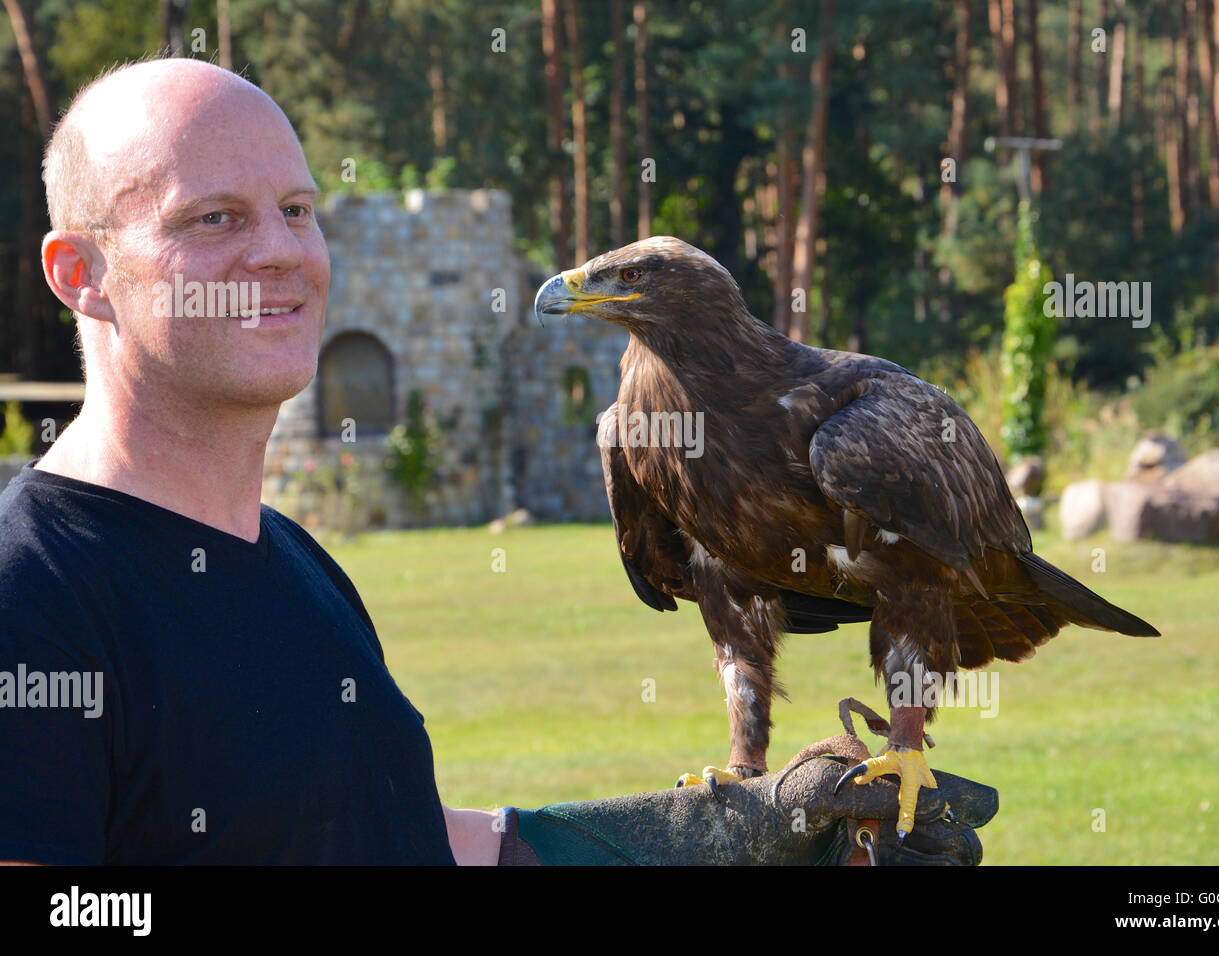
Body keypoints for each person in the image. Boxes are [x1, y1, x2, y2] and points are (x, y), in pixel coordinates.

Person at [0, 58, 992, 866]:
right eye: (212, 217)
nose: (281, 251)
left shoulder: (297, 566)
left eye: (297, 209)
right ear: (81, 274)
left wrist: (719, 842)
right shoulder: (31, 595)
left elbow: (394, 843)